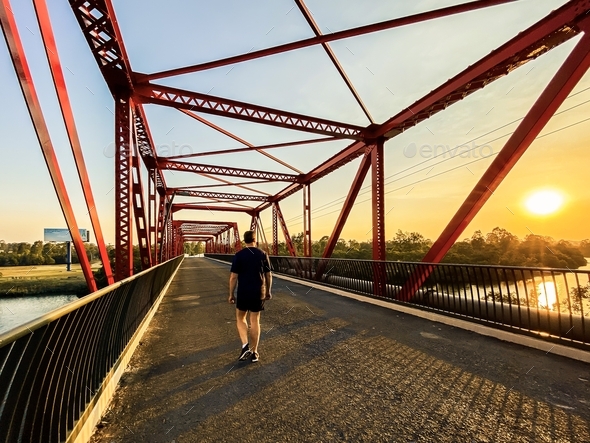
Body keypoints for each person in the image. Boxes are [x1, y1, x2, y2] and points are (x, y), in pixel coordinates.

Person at [228, 230, 272, 363]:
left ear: (244, 241)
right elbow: (268, 275)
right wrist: (268, 291)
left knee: (240, 318)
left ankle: (244, 345)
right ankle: (254, 352)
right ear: (255, 240)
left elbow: (233, 277)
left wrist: (231, 294)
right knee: (255, 321)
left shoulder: (239, 255)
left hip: (243, 292)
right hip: (258, 292)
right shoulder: (263, 254)